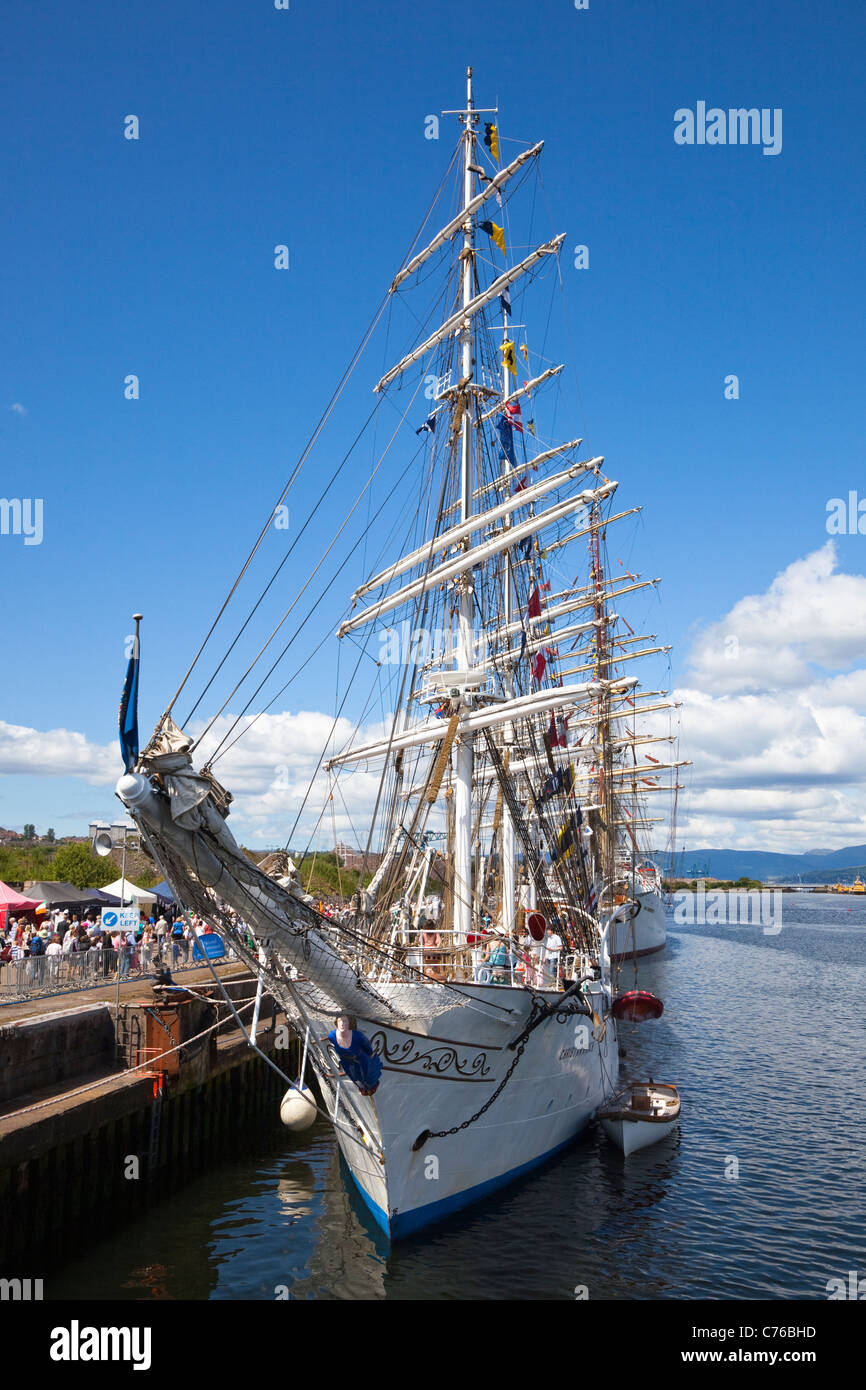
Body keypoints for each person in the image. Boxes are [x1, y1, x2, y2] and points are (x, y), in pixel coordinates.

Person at [327, 1013, 382, 1095]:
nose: (342, 1024)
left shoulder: (356, 1035)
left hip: (359, 1059)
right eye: (339, 1022)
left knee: (367, 1074)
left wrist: (370, 1053)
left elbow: (366, 1046)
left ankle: (369, 1087)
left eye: (345, 1022)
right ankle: (364, 1087)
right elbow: (366, 1045)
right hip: (348, 1061)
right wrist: (370, 1053)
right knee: (355, 1076)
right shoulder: (332, 1035)